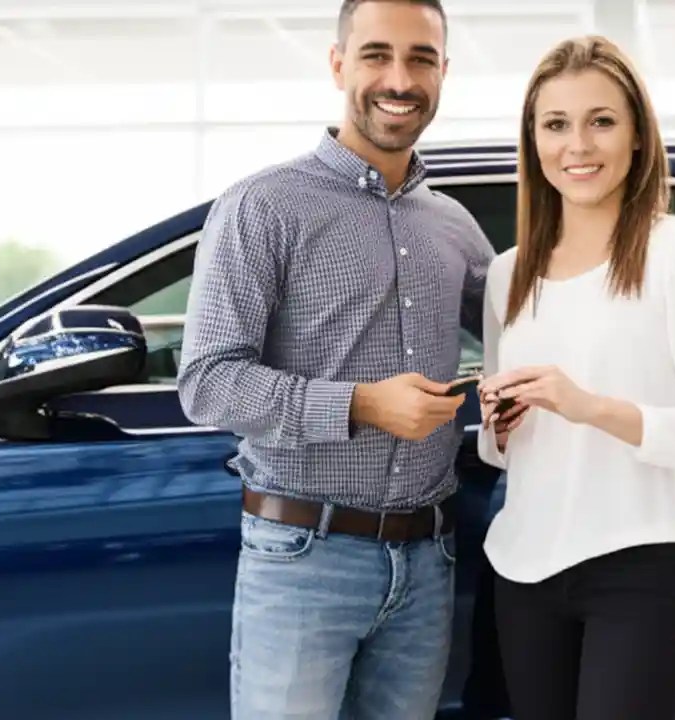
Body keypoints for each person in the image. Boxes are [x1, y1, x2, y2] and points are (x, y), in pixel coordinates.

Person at [176, 0, 494, 718]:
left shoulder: (454, 228)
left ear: (444, 71)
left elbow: (532, 333)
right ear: (338, 63)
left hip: (429, 562)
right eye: (377, 54)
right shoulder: (263, 206)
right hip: (302, 558)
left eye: (420, 58)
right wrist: (361, 404)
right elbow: (206, 382)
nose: (399, 78)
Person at [475, 35, 675, 720]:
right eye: (556, 124)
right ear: (533, 140)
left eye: (601, 121)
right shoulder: (509, 273)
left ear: (635, 136)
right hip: (524, 569)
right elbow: (499, 452)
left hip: (643, 565)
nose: (578, 146)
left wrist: (587, 404)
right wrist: (499, 426)